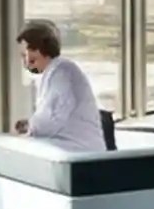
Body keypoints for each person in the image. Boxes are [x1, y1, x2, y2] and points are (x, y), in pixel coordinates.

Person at [14, 21, 106, 152]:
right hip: (72, 147)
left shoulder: (62, 72)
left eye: (26, 55)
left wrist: (30, 126)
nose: (25, 62)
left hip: (79, 152)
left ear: (39, 49)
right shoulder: (55, 71)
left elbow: (52, 118)